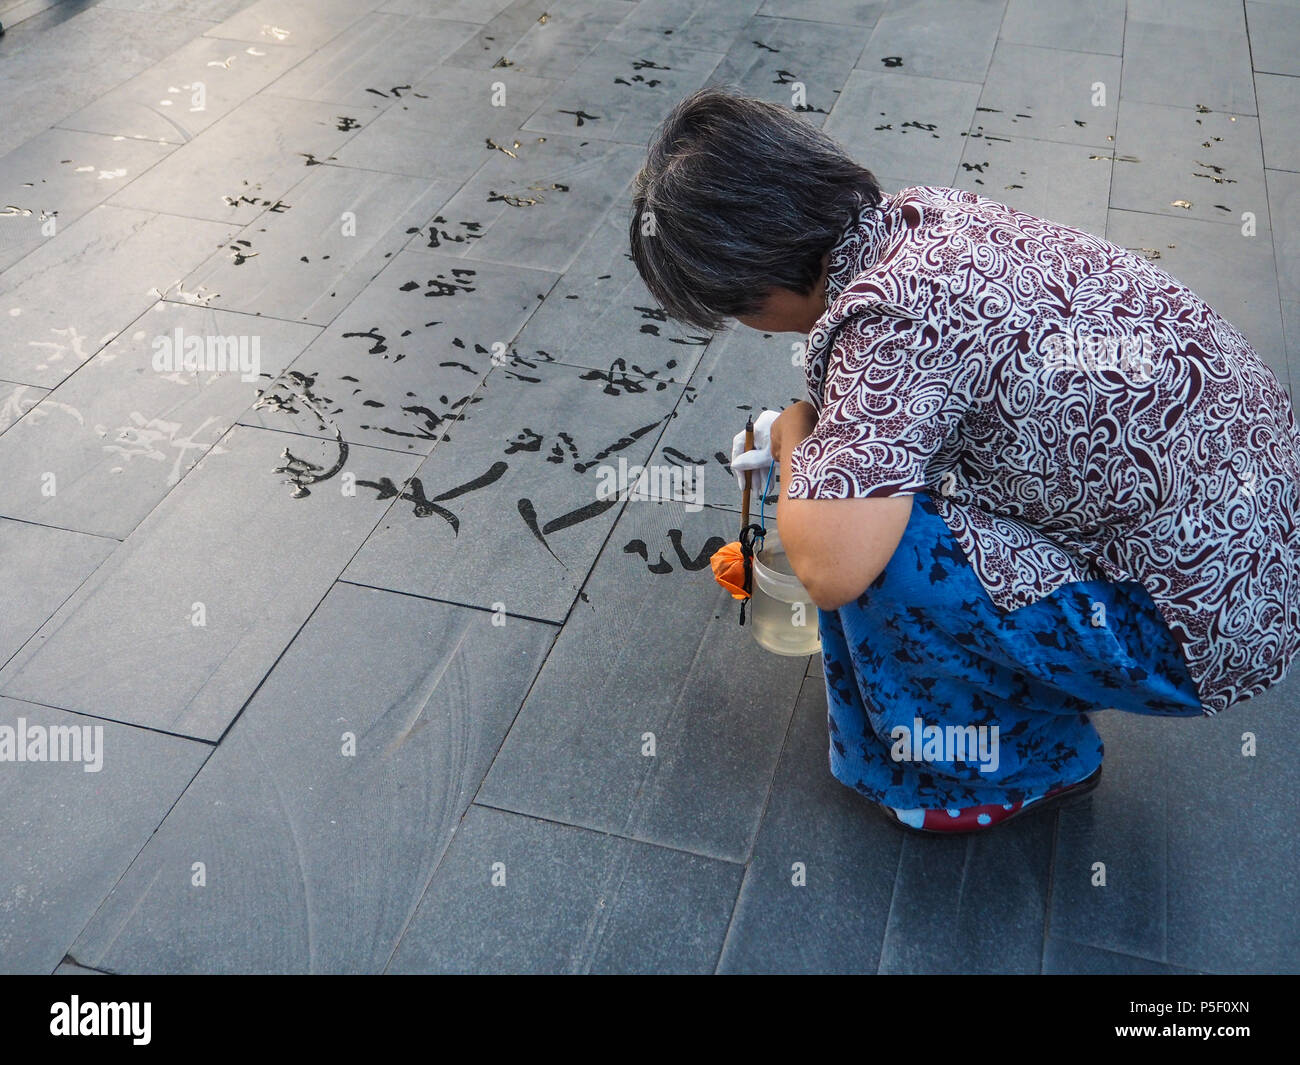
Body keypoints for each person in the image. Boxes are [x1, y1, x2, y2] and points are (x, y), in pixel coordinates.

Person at [628, 87, 1300, 833]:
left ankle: (1017, 766)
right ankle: (1024, 682)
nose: (748, 328)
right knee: (874, 490)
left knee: (886, 550)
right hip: (1252, 537)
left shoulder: (887, 314)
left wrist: (794, 436)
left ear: (752, 283)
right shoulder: (915, 219)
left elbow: (831, 566)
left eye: (730, 308)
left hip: (1206, 619)